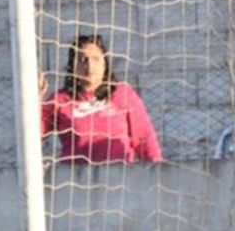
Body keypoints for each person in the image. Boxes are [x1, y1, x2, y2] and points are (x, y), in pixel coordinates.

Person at [40, 34, 162, 164]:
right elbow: (34, 132)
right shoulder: (60, 100)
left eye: (96, 59)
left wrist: (157, 172)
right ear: (72, 66)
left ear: (105, 64)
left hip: (120, 174)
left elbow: (145, 140)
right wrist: (35, 97)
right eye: (82, 59)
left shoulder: (123, 94)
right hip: (75, 175)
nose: (89, 65)